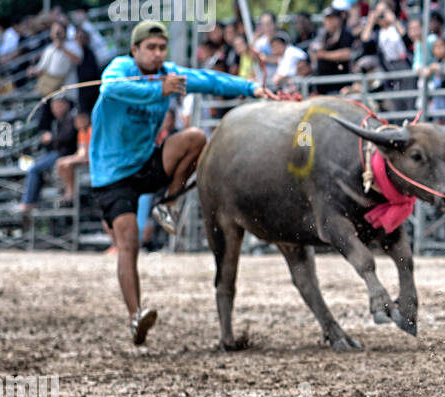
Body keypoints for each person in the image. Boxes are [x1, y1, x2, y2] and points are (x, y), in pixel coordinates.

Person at [90, 21, 280, 345]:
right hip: (111, 175)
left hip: (146, 162)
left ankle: (170, 203)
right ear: (135, 50)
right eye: (150, 48)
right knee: (129, 243)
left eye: (161, 48)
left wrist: (250, 88)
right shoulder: (121, 68)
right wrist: (157, 90)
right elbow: (110, 88)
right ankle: (136, 317)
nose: (157, 54)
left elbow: (209, 80)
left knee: (194, 138)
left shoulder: (170, 73)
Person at [18, 96, 77, 214]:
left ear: (66, 104)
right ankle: (31, 199)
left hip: (67, 154)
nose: (56, 109)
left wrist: (52, 138)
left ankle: (29, 201)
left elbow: (68, 138)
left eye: (58, 105)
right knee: (34, 166)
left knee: (34, 168)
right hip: (59, 153)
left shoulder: (72, 117)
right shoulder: (59, 120)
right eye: (54, 106)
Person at [55, 109, 91, 203]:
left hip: (91, 159)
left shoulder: (91, 131)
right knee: (61, 163)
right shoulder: (81, 133)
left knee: (65, 163)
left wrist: (73, 158)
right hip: (83, 157)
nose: (77, 123)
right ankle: (67, 187)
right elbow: (81, 152)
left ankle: (71, 190)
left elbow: (86, 153)